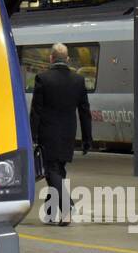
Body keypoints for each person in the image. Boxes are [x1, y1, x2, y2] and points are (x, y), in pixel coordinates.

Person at [30, 42, 92, 225]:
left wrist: (32, 136)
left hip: (47, 133)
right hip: (68, 134)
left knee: (52, 172)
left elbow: (36, 111)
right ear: (67, 59)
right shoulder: (78, 80)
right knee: (59, 171)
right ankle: (50, 213)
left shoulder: (42, 78)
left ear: (51, 58)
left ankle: (67, 209)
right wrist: (87, 138)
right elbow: (84, 111)